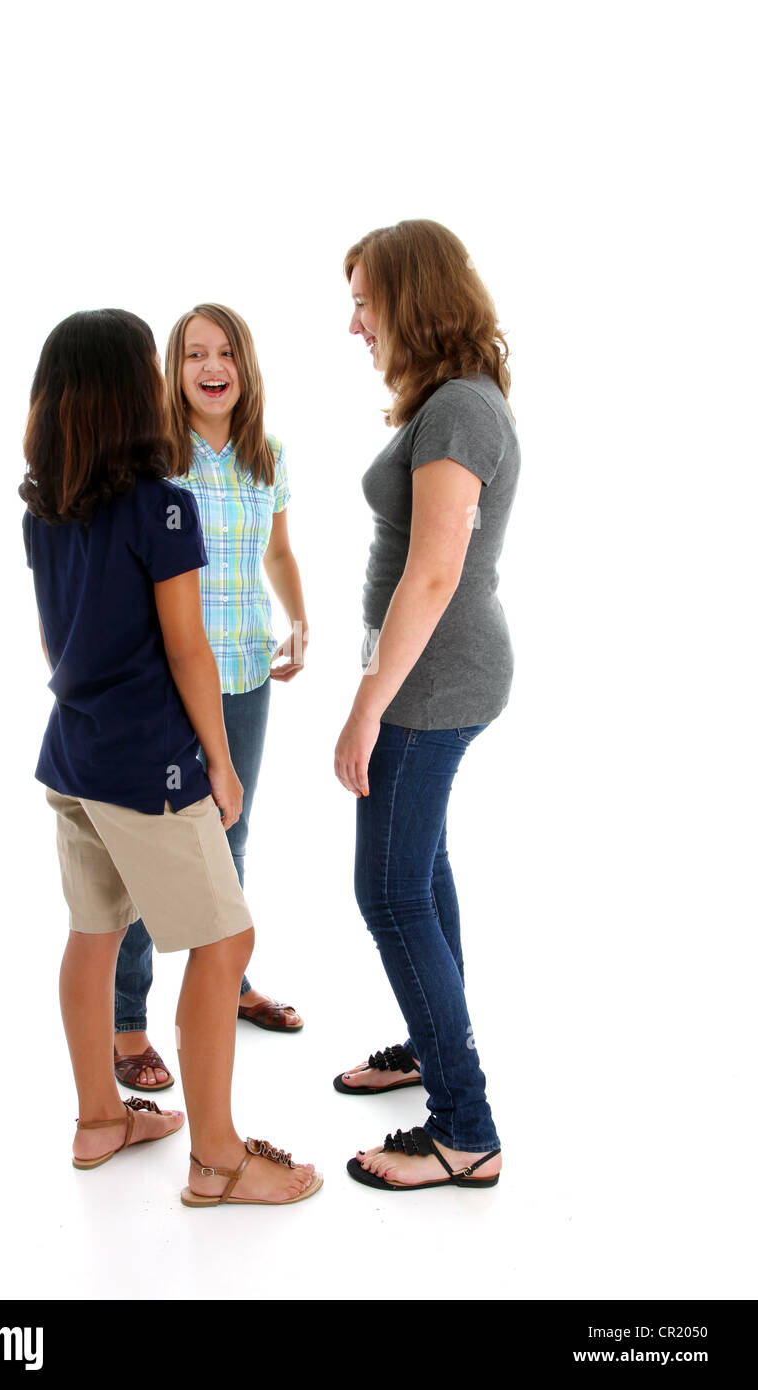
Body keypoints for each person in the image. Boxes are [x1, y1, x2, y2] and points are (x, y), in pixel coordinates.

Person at [22, 308, 321, 1206]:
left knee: (94, 936)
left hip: (74, 757)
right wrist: (221, 766)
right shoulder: (164, 504)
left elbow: (53, 647)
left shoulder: (45, 509)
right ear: (133, 394)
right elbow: (191, 653)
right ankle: (220, 1161)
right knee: (228, 939)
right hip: (149, 767)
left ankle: (99, 1120)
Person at [332, 220, 520, 1193]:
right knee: (421, 867)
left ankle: (463, 1127)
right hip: (423, 678)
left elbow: (435, 570)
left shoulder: (457, 410)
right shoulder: (451, 403)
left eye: (364, 299)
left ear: (409, 297)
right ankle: (425, 1045)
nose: (354, 322)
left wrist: (366, 706)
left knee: (389, 891)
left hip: (427, 690)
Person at [112, 303, 309, 1093]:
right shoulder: (156, 459)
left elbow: (282, 549)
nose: (210, 366)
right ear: (175, 368)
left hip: (246, 677)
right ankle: (130, 1021)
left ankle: (225, 984)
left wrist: (299, 618)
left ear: (244, 364)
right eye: (194, 353)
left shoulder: (269, 456)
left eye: (224, 351)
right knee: (150, 848)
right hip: (168, 684)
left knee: (231, 834)